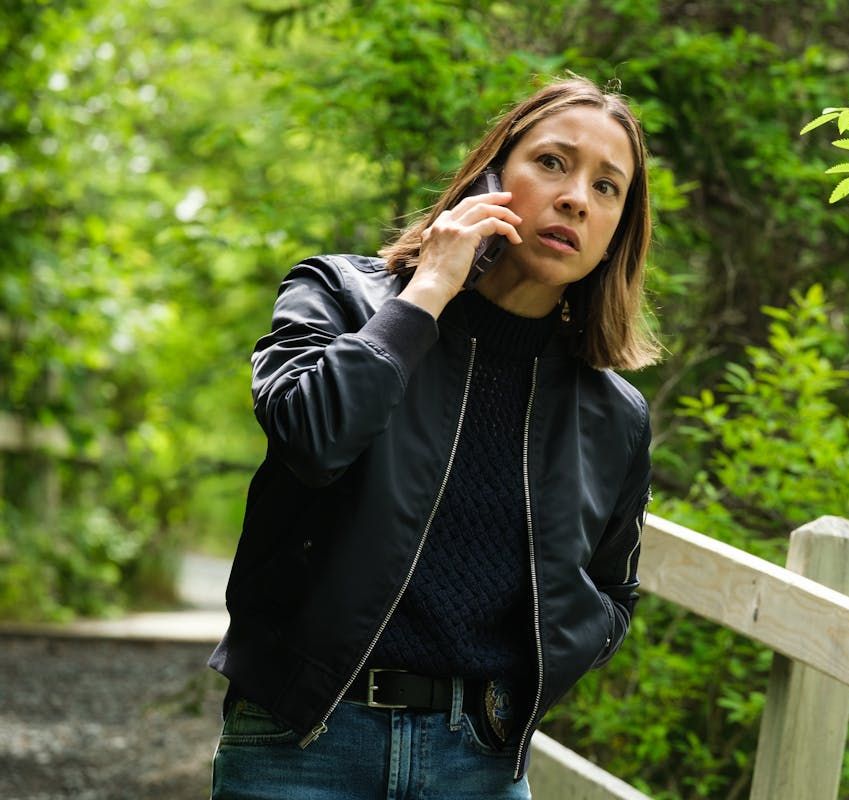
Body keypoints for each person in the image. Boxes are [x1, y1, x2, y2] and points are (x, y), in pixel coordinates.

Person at [208, 75, 659, 799]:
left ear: (615, 236)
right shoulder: (340, 295)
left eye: (607, 187)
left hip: (479, 763)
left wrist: (529, 676)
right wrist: (428, 292)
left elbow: (613, 590)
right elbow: (313, 438)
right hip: (303, 742)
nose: (576, 197)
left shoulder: (616, 416)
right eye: (552, 162)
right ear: (489, 178)